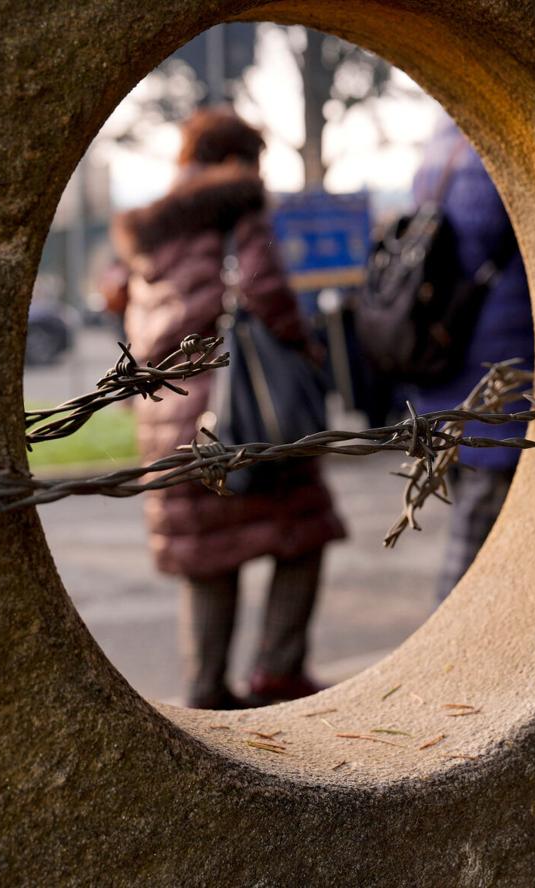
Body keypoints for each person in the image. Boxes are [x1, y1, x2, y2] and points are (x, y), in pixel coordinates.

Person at [110, 108, 346, 708]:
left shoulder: (146, 232)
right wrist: (306, 349)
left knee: (206, 553)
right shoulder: (238, 208)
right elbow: (265, 290)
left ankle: (207, 689)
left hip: (171, 425)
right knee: (303, 529)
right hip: (245, 415)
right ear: (237, 161)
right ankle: (278, 669)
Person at [410, 118, 535, 600]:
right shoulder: (500, 147)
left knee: (473, 503)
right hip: (500, 360)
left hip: (451, 354)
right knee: (478, 536)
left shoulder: (438, 149)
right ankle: (446, 647)